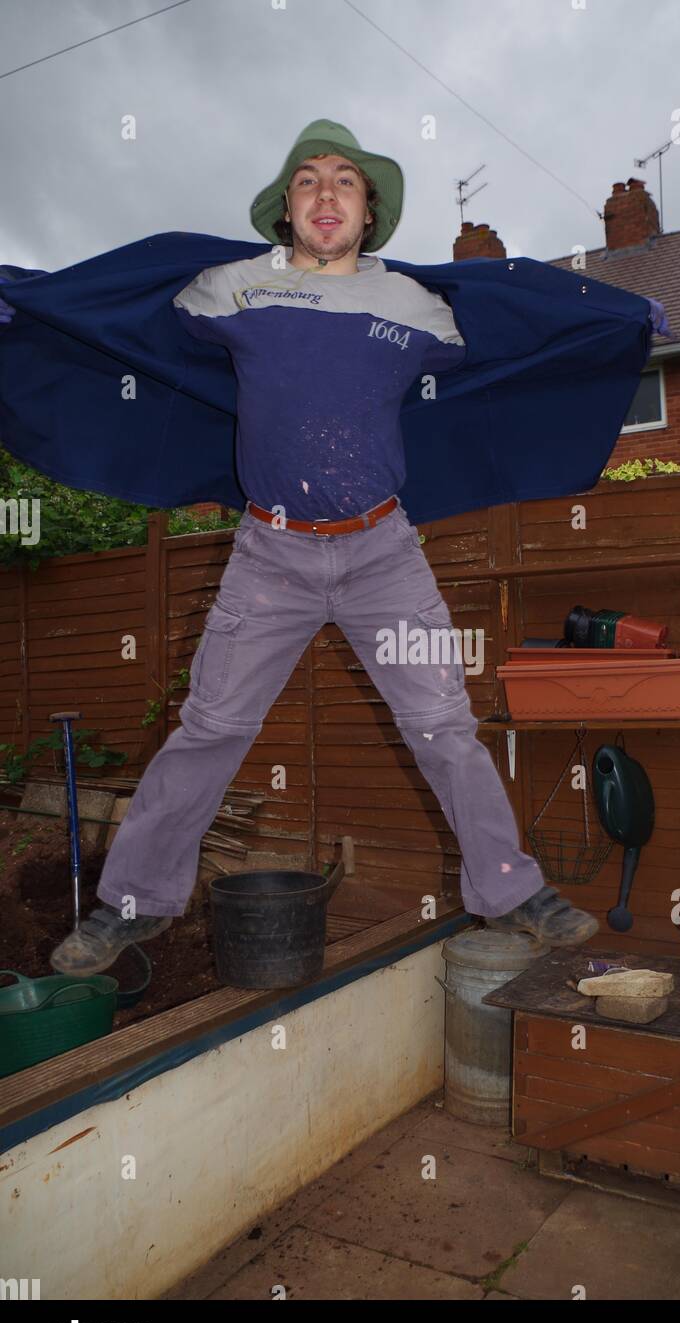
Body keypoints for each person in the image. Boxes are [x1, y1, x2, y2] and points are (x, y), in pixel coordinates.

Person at [2, 120, 617, 975]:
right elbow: (123, 321)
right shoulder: (231, 288)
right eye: (307, 182)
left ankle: (513, 891)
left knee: (445, 725)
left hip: (384, 555)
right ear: (285, 211)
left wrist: (617, 320)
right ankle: (133, 904)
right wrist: (30, 303)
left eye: (345, 183)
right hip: (270, 557)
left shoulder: (417, 305)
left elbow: (520, 342)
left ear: (369, 215)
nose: (325, 195)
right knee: (210, 726)